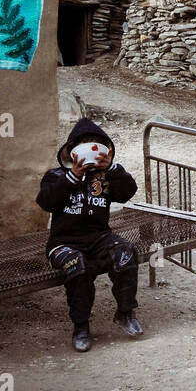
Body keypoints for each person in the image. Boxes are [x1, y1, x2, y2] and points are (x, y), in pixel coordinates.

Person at [36, 118, 144, 352]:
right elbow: (45, 201)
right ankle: (81, 325)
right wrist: (73, 175)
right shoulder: (56, 176)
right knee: (77, 266)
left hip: (99, 238)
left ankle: (125, 312)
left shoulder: (106, 177)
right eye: (84, 145)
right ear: (72, 151)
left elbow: (128, 192)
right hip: (63, 243)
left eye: (97, 145)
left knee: (125, 253)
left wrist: (112, 168)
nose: (91, 149)